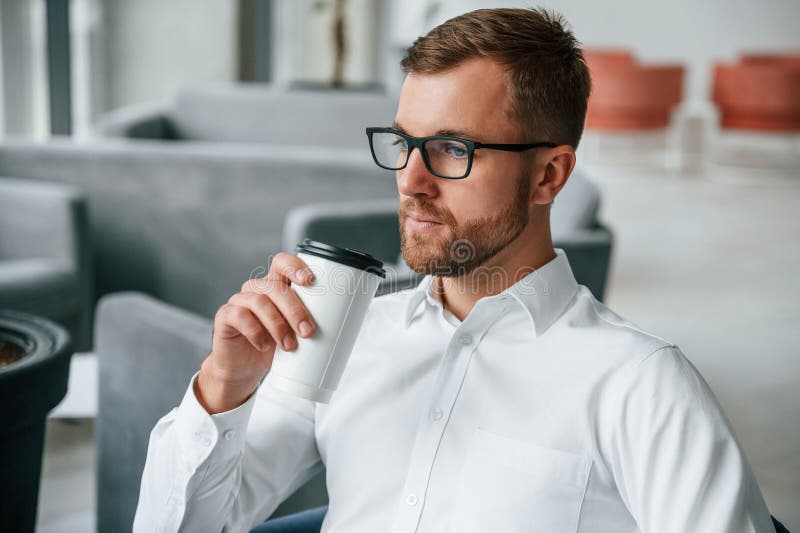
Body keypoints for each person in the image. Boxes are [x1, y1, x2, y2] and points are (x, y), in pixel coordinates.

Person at [134, 8, 776, 533]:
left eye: (452, 149)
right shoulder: (349, 339)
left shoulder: (638, 386)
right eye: (404, 143)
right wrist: (225, 385)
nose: (409, 182)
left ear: (548, 175)